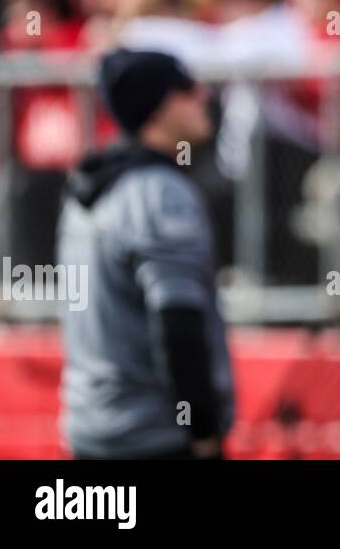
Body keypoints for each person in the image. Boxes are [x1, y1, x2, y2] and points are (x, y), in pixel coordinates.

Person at [57, 49, 233, 459]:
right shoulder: (161, 192)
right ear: (157, 105)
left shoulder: (90, 188)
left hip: (90, 428)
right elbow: (177, 323)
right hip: (154, 436)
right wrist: (202, 431)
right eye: (186, 88)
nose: (203, 95)